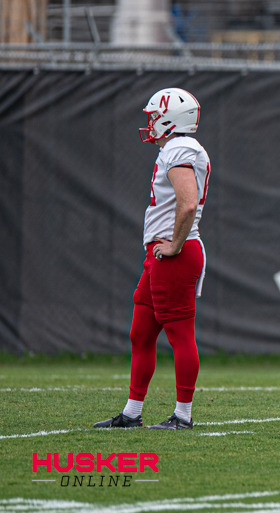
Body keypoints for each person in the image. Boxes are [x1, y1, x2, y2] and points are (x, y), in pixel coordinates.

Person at [94, 88, 211, 431]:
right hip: (161, 253)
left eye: (155, 115)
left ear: (171, 119)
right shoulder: (177, 148)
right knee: (141, 333)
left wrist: (174, 244)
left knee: (179, 334)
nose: (151, 122)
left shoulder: (179, 148)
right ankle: (131, 413)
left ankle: (183, 416)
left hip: (174, 253)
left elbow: (188, 202)